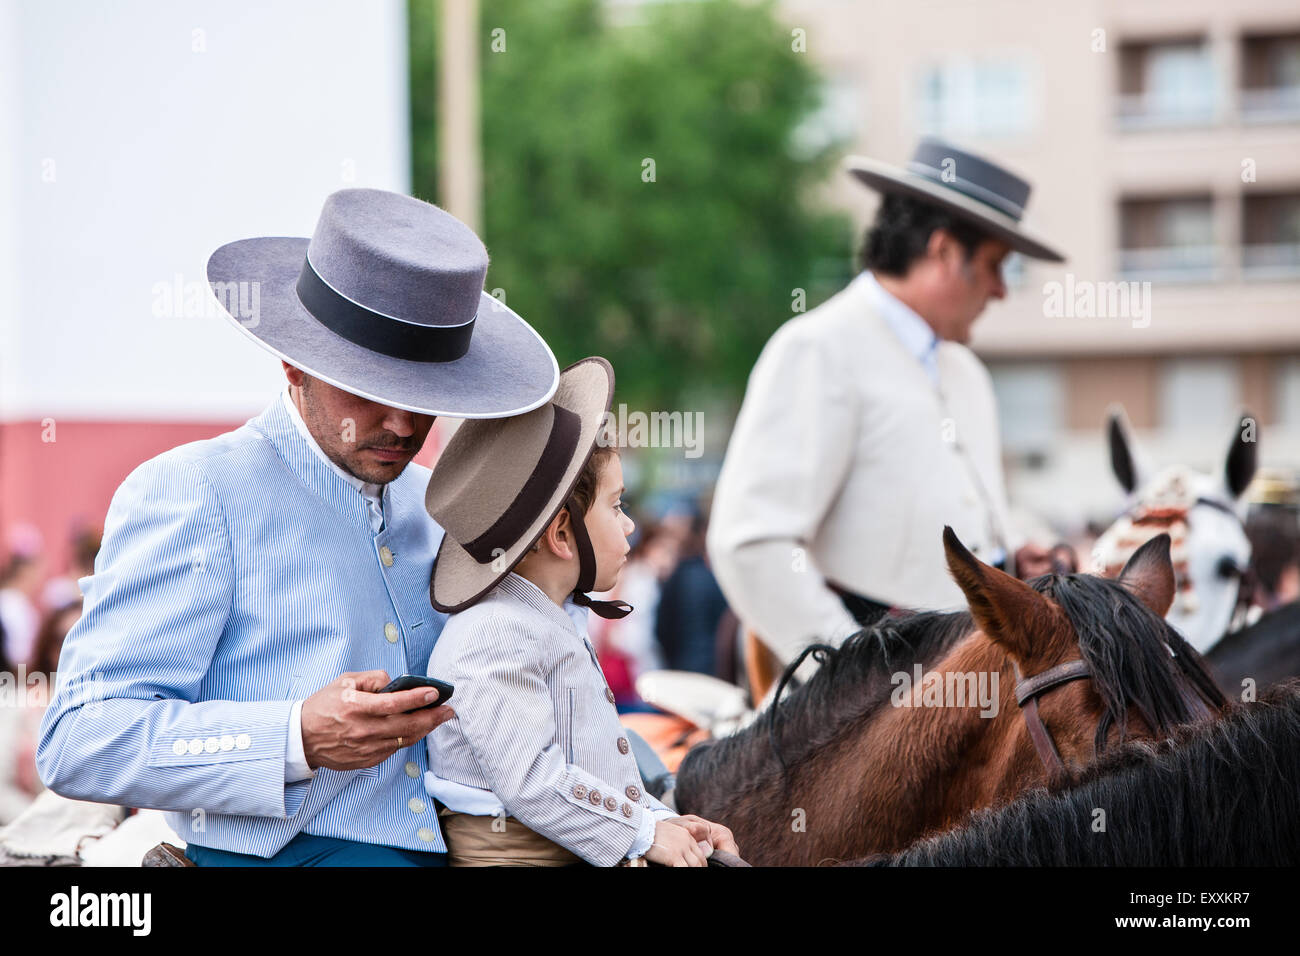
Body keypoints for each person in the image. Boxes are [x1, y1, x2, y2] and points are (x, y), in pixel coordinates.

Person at [36, 188, 560, 866]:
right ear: (293, 362)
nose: (402, 426)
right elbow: (81, 738)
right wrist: (293, 738)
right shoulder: (196, 492)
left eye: (423, 395)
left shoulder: (441, 510)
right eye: (370, 388)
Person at [707, 137, 1067, 672]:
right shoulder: (818, 348)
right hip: (871, 711)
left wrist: (1013, 556)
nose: (1000, 291)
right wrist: (850, 677)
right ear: (943, 251)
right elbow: (750, 542)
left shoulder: (965, 372)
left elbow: (946, 523)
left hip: (975, 692)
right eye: (995, 266)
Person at [422, 358, 738, 866]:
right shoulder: (493, 633)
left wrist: (660, 820)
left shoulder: (544, 620)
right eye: (617, 507)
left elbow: (592, 769)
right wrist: (642, 830)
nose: (631, 525)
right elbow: (532, 781)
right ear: (563, 535)